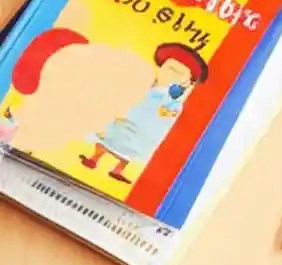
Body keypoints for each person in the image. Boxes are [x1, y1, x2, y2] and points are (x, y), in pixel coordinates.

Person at [80, 43, 208, 184]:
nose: (169, 74)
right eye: (168, 68)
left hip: (144, 128)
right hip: (128, 118)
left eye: (177, 74)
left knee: (130, 151)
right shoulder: (147, 85)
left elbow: (168, 114)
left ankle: (118, 170)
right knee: (110, 138)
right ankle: (94, 158)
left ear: (187, 83)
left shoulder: (172, 99)